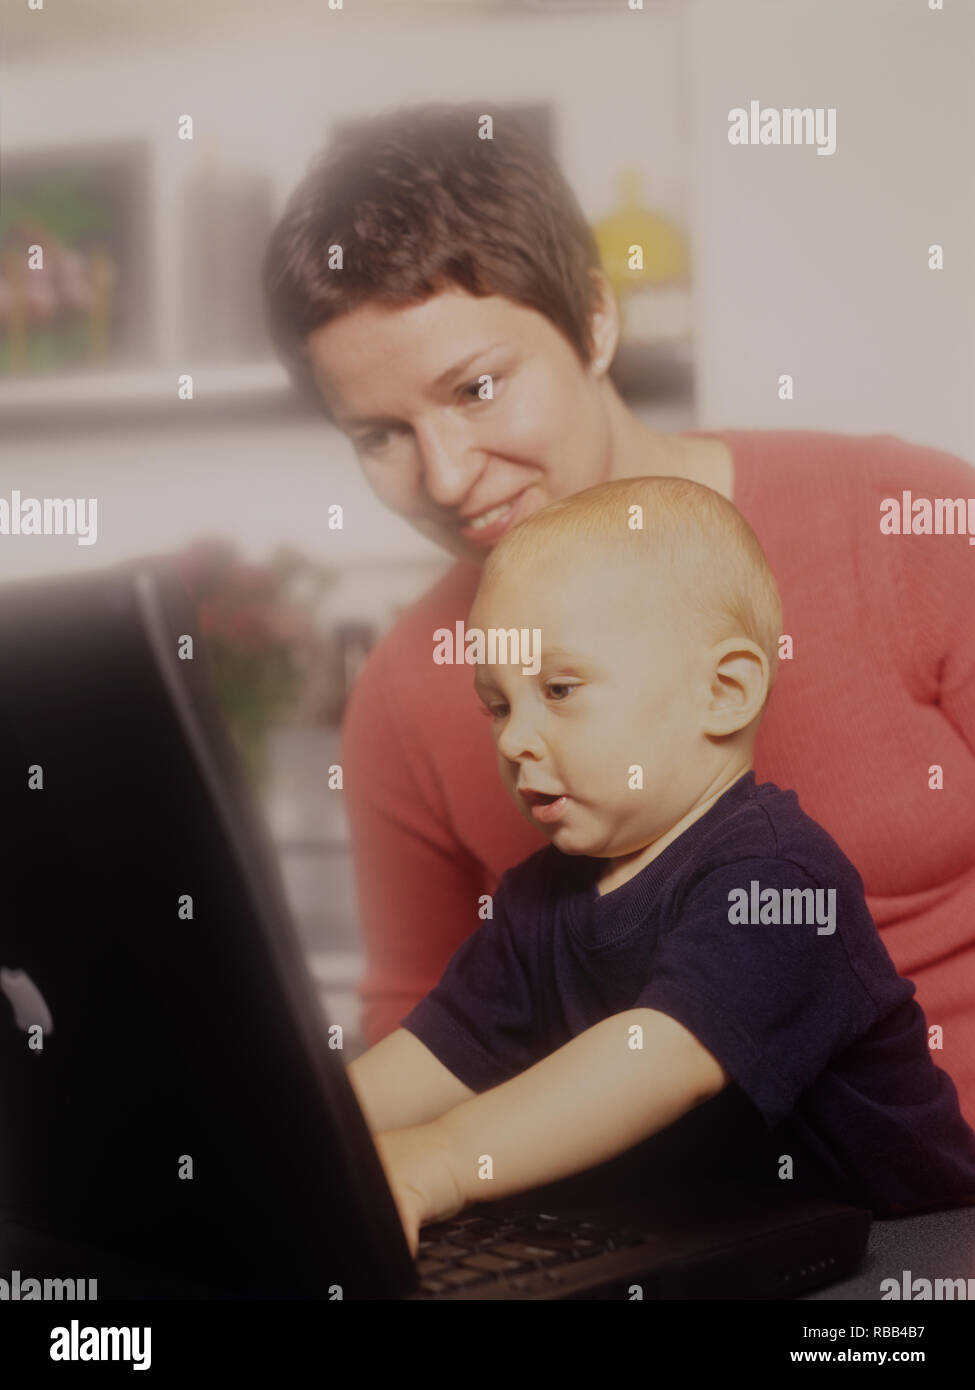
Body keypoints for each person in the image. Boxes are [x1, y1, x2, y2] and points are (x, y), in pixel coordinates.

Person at [260, 102, 975, 1129]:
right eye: (380, 434)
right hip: (673, 1226)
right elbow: (426, 1024)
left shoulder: (911, 521)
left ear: (596, 320)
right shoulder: (406, 691)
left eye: (477, 386)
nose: (448, 478)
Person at [343, 476, 975, 1256]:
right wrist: (305, 1137)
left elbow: (665, 1055)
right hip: (707, 1244)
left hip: (904, 1245)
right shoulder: (536, 899)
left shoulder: (777, 880)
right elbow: (443, 1052)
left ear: (724, 691)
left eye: (559, 688)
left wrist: (439, 1159)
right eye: (499, 705)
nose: (512, 741)